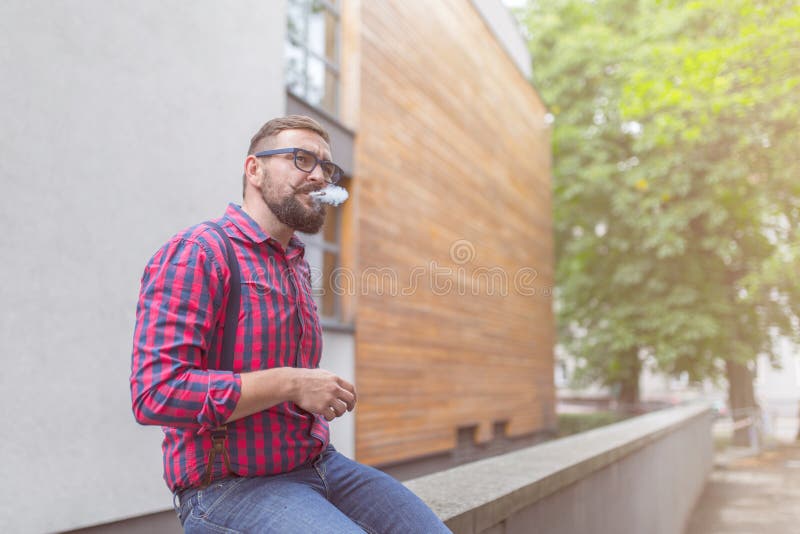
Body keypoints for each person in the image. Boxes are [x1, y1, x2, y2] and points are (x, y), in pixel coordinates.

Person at [130, 115, 451, 533]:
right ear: (254, 170)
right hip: (229, 487)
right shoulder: (199, 252)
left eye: (326, 167)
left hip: (319, 466)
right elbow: (156, 393)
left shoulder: (294, 262)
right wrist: (292, 383)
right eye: (301, 159)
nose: (319, 176)